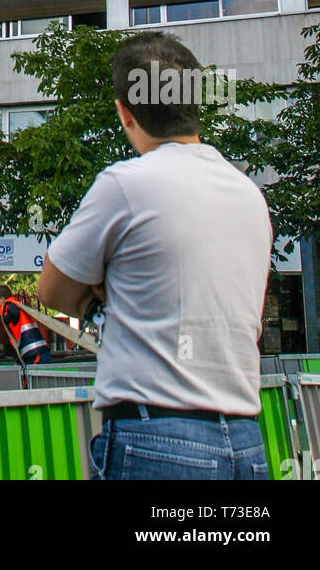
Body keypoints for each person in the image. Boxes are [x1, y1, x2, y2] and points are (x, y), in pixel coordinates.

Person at [37, 30, 272, 481]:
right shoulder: (249, 195)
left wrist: (98, 300)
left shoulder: (125, 185)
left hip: (156, 439)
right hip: (247, 441)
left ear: (125, 114)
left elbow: (51, 288)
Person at [0, 285, 52, 375]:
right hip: (35, 353)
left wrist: (5, 316)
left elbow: (14, 312)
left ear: (3, 299)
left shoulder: (10, 306)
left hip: (36, 355)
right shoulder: (16, 305)